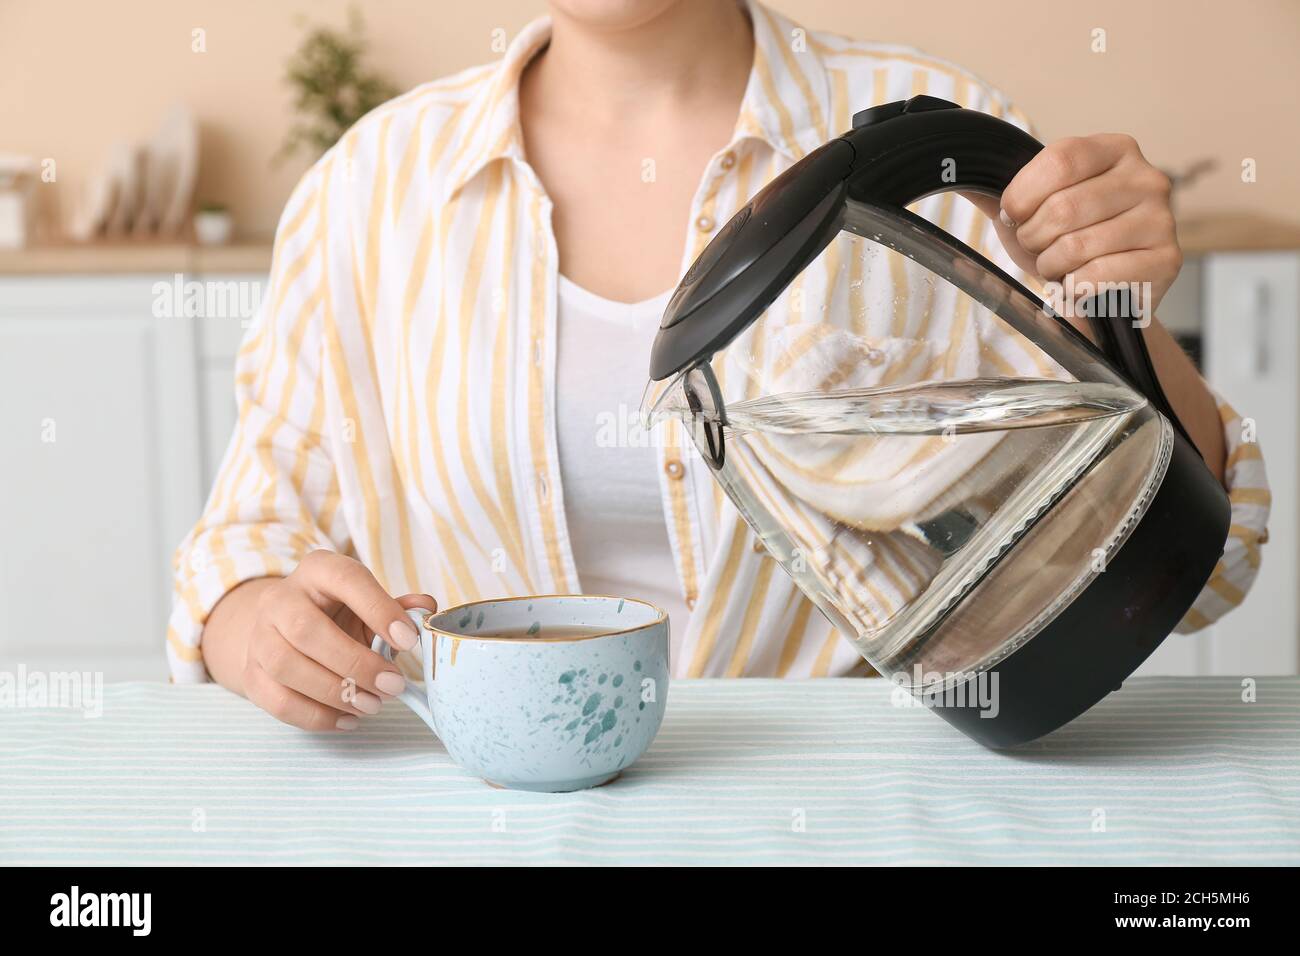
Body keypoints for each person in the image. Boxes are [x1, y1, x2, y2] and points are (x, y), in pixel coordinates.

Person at [169, 0, 1269, 730]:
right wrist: (254, 621)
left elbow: (1200, 575)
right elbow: (243, 542)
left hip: (863, 823)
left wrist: (1114, 303)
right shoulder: (370, 185)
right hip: (487, 830)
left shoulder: (932, 138)